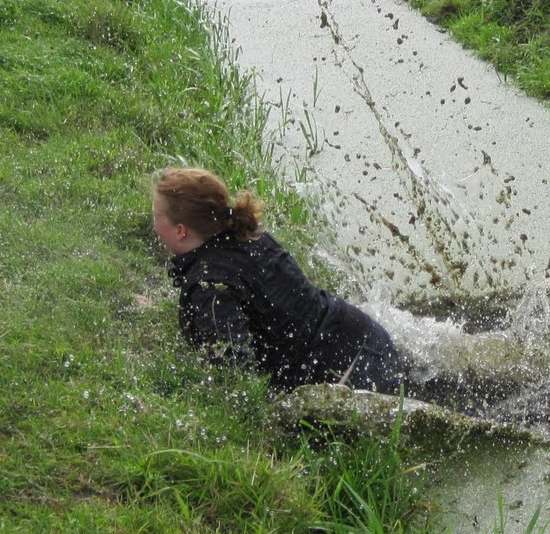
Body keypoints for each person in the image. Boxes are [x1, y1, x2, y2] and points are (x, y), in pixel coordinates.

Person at [152, 168, 404, 394]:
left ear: (180, 230)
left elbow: (233, 375)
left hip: (348, 375)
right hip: (366, 335)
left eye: (156, 217)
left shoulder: (210, 286)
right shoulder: (246, 235)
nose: (153, 227)